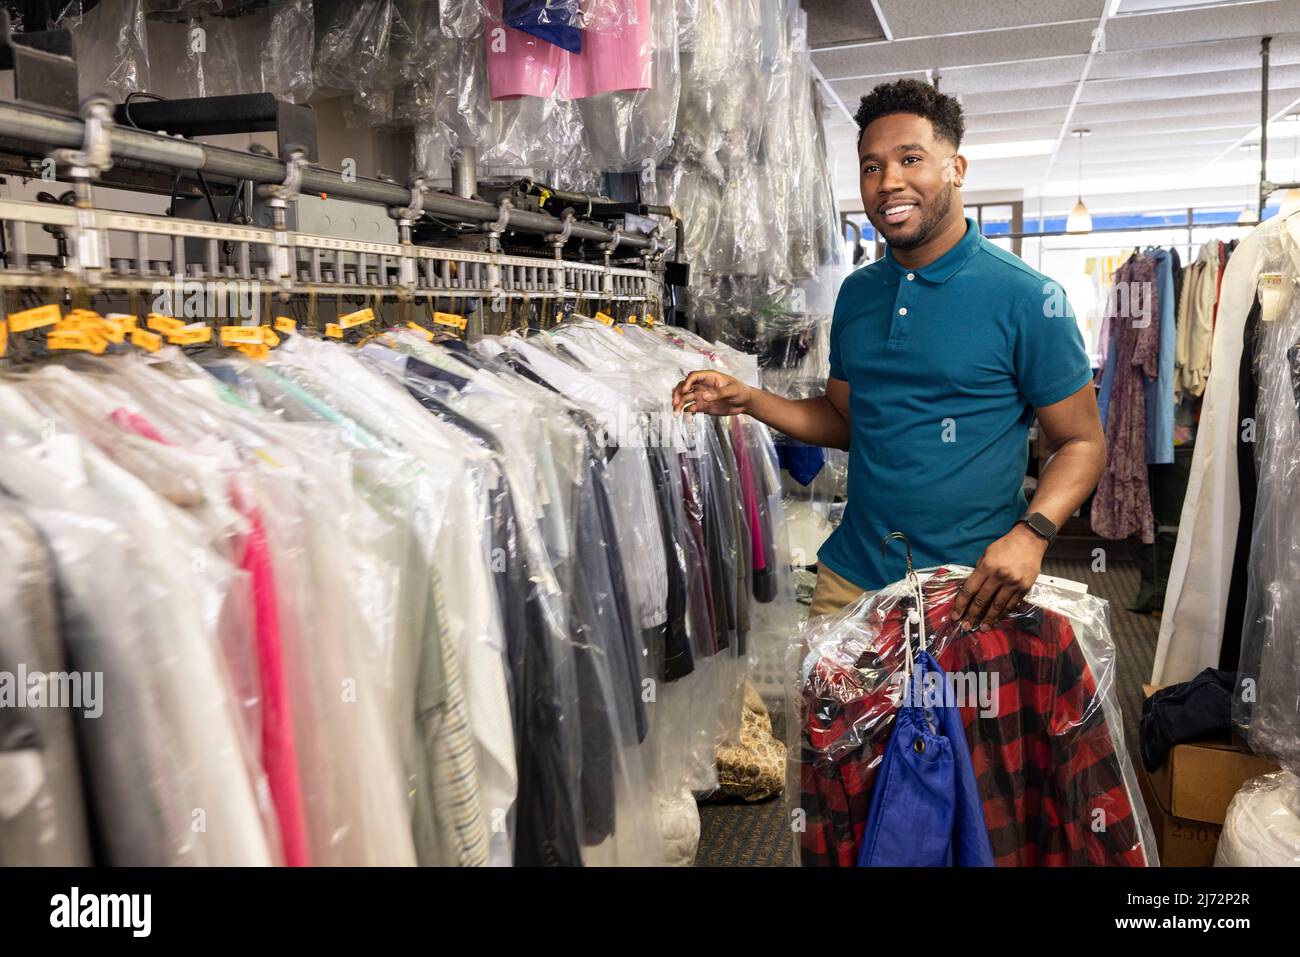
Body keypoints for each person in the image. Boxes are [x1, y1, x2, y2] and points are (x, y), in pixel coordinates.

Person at [671, 79, 1106, 630]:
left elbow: (1081, 441)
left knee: (958, 719)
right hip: (851, 578)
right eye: (872, 166)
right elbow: (847, 420)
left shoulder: (1027, 297)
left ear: (956, 168)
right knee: (832, 717)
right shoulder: (858, 292)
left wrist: (1032, 534)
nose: (889, 182)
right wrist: (749, 399)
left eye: (911, 159)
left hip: (971, 586)